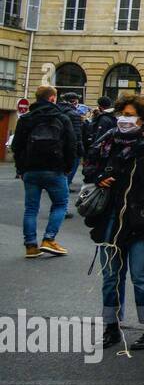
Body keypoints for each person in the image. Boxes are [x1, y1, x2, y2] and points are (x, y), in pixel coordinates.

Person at [82, 93, 144, 351]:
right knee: (110, 276)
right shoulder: (108, 141)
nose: (123, 119)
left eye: (129, 115)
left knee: (142, 275)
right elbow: (89, 165)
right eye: (122, 114)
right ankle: (111, 327)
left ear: (143, 119)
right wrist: (98, 176)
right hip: (110, 219)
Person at [12, 85, 78, 258]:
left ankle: (30, 246)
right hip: (55, 168)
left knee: (31, 208)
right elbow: (71, 145)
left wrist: (21, 168)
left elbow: (16, 146)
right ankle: (49, 239)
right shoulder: (62, 118)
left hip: (31, 170)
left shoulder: (26, 119)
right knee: (60, 204)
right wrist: (68, 167)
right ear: (52, 98)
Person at [57, 92, 86, 185]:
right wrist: (81, 149)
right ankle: (66, 184)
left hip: (57, 144)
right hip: (70, 145)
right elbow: (77, 133)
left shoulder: (56, 110)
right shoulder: (74, 114)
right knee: (73, 165)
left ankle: (59, 182)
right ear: (75, 102)